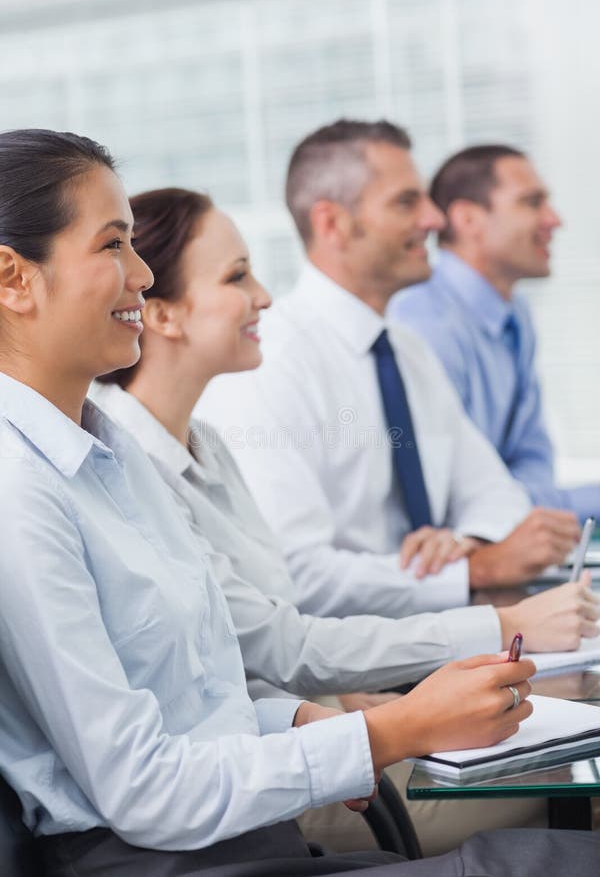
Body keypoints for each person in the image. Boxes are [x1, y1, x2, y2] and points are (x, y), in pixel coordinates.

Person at [1, 130, 593, 877]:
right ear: (14, 279)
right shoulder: (21, 490)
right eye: (112, 246)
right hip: (171, 857)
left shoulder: (110, 449)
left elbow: (224, 676)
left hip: (249, 825)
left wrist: (310, 721)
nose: (141, 276)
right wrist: (389, 730)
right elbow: (145, 787)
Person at [196, 120, 580, 624]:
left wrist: (466, 542)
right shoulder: (266, 363)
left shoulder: (407, 350)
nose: (434, 218)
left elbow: (496, 494)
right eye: (406, 202)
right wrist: (473, 570)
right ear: (333, 224)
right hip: (355, 667)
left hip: (442, 639)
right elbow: (296, 576)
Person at [389, 144, 600, 523]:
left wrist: (526, 507)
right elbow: (454, 494)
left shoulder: (515, 315)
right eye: (532, 203)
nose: (554, 220)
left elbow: (531, 453)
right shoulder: (422, 323)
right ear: (468, 219)